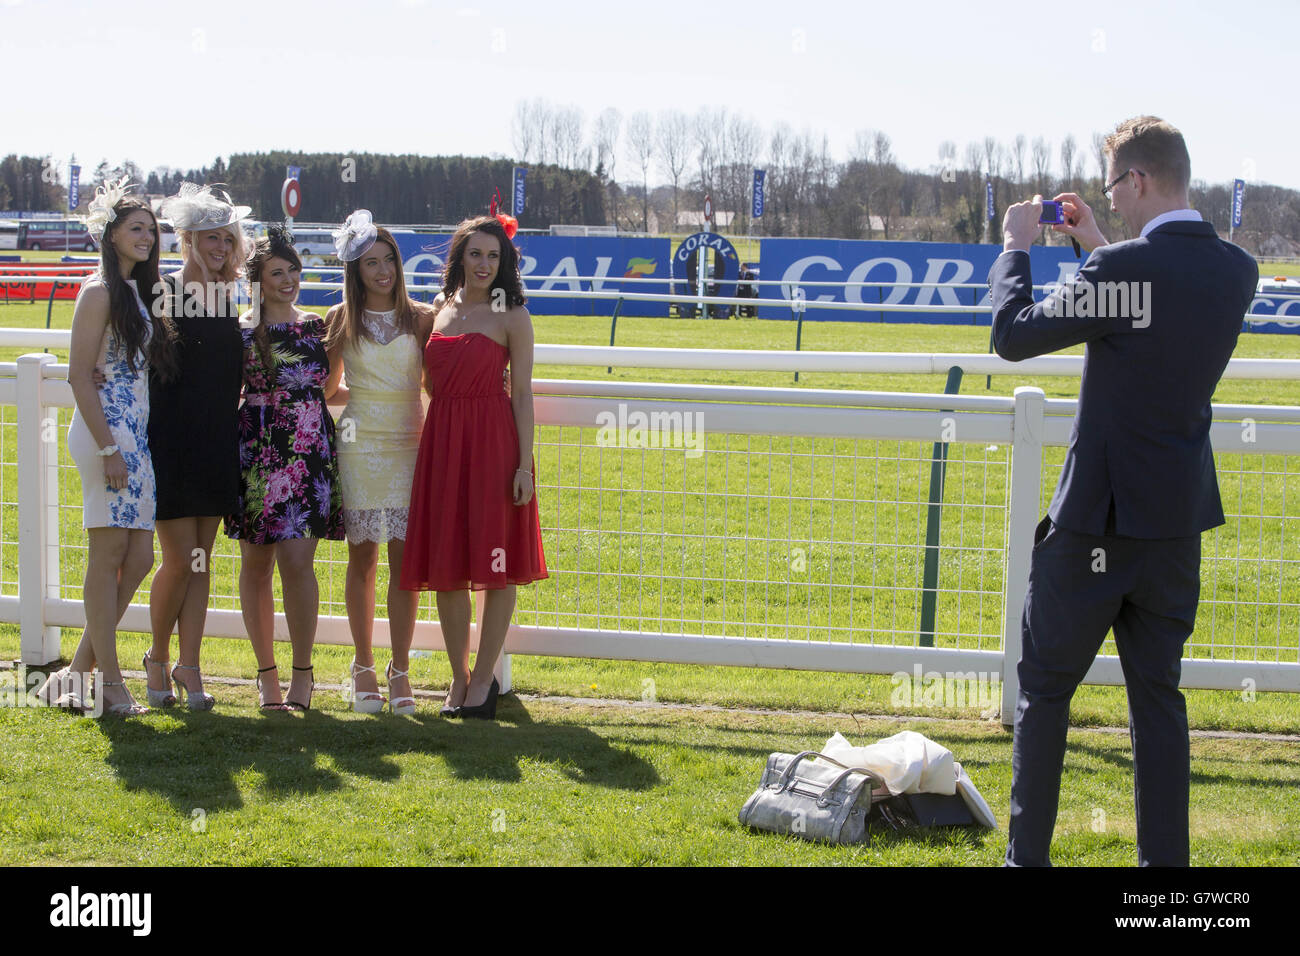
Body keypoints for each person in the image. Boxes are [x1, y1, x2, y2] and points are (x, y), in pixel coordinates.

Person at [988, 116, 1259, 866]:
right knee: (1159, 708)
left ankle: (1027, 861)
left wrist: (1017, 247)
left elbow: (1013, 335)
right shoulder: (1237, 271)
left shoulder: (1125, 274)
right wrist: (1099, 241)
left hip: (1094, 529)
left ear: (1136, 180)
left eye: (1116, 187)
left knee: (1045, 697)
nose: (1118, 199)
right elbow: (1146, 305)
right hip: (1173, 529)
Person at [400, 215, 547, 719]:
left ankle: (485, 679)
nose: (484, 264)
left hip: (493, 445)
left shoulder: (513, 315)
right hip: (442, 442)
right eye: (475, 254)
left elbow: (524, 395)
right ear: (459, 258)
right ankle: (458, 677)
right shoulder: (438, 310)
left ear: (505, 262)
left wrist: (524, 465)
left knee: (495, 561)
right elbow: (428, 381)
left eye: (494, 256)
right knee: (447, 567)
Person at [37, 179, 174, 717]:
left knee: (139, 556)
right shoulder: (96, 292)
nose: (146, 236)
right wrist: (108, 449)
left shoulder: (137, 293)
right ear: (110, 234)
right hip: (105, 436)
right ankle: (109, 683)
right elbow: (77, 375)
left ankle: (74, 674)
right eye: (136, 228)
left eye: (151, 229)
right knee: (108, 555)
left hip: (134, 436)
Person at [140, 183, 250, 710]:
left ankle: (190, 665)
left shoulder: (229, 298)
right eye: (210, 238)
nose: (220, 249)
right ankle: (157, 659)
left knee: (202, 561)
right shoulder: (161, 294)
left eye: (227, 240)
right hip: (171, 445)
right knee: (179, 560)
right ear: (185, 238)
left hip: (217, 443)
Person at [227, 227, 345, 710]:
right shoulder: (238, 331)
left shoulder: (318, 326)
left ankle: (303, 673)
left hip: (309, 451)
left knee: (299, 564)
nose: (289, 279)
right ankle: (266, 675)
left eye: (294, 269)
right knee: (255, 566)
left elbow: (332, 389)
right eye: (278, 272)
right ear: (257, 279)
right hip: (258, 450)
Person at [323, 211, 435, 714]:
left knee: (405, 561)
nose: (383, 270)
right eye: (372, 262)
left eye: (389, 259)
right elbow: (328, 389)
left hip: (412, 445)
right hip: (359, 444)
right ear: (355, 268)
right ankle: (363, 666)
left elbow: (435, 387)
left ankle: (402, 671)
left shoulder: (423, 318)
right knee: (362, 557)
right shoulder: (340, 321)